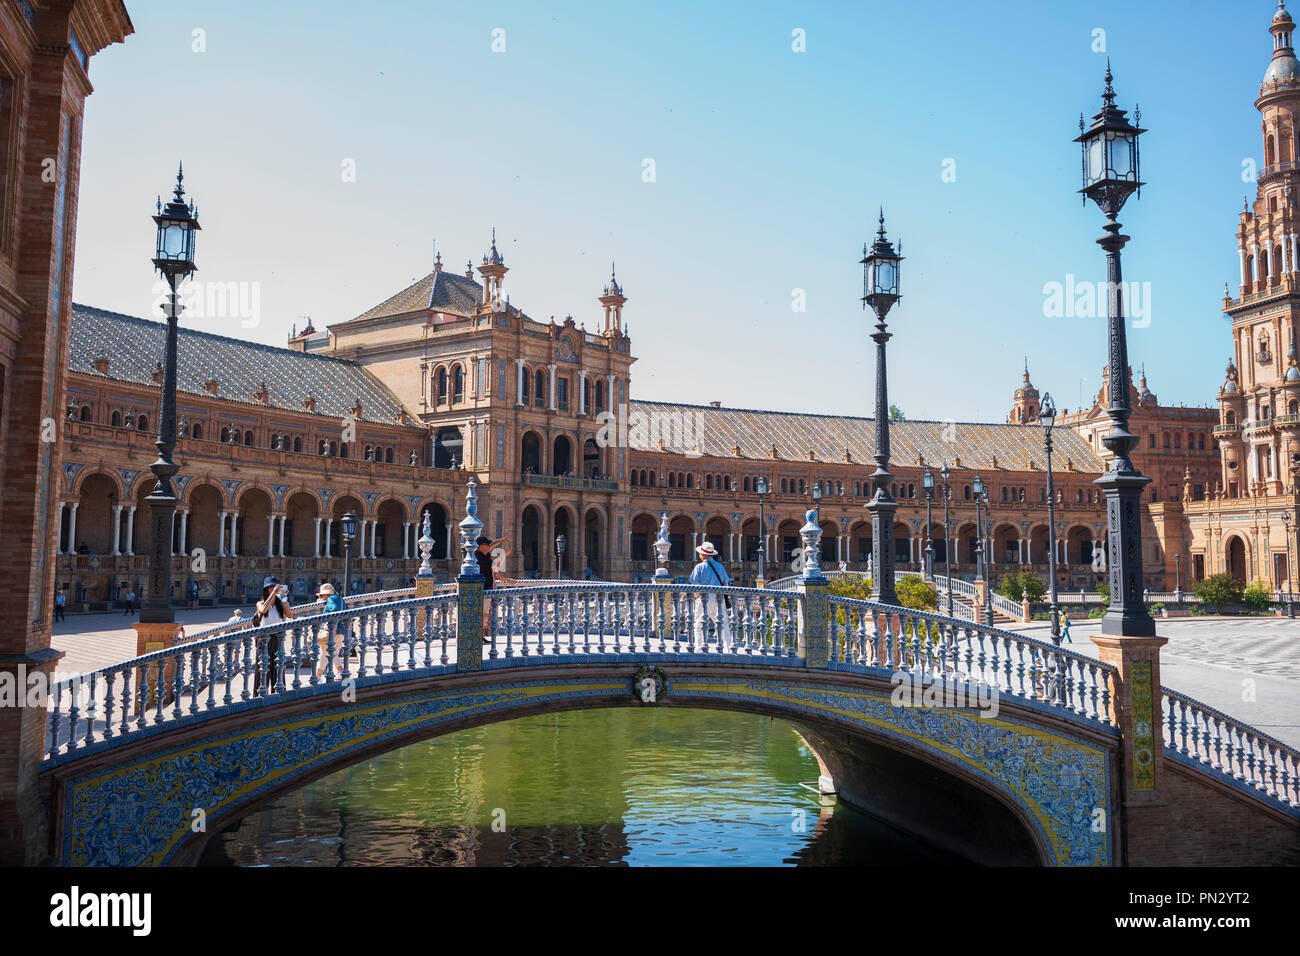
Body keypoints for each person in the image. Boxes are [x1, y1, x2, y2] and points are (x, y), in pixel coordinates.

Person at [252, 576, 293, 695]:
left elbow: (290, 615)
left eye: (275, 587)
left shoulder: (281, 603)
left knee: (279, 669)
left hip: (278, 639)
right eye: (271, 587)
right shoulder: (260, 603)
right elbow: (263, 610)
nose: (273, 589)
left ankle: (278, 695)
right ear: (266, 589)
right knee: (262, 670)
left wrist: (284, 598)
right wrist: (272, 595)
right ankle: (259, 696)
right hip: (264, 640)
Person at [689, 541, 733, 649]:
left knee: (700, 623)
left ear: (703, 555)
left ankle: (699, 648)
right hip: (719, 597)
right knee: (723, 624)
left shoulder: (699, 567)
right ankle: (729, 648)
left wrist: (697, 596)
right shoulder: (720, 567)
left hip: (705, 598)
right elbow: (726, 584)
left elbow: (693, 584)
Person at [316, 582, 346, 676]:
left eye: (322, 595)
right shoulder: (340, 599)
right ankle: (341, 672)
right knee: (335, 653)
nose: (322, 597)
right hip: (341, 630)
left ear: (326, 594)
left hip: (332, 631)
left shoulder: (330, 599)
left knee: (323, 654)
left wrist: (327, 618)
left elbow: (334, 609)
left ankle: (316, 677)